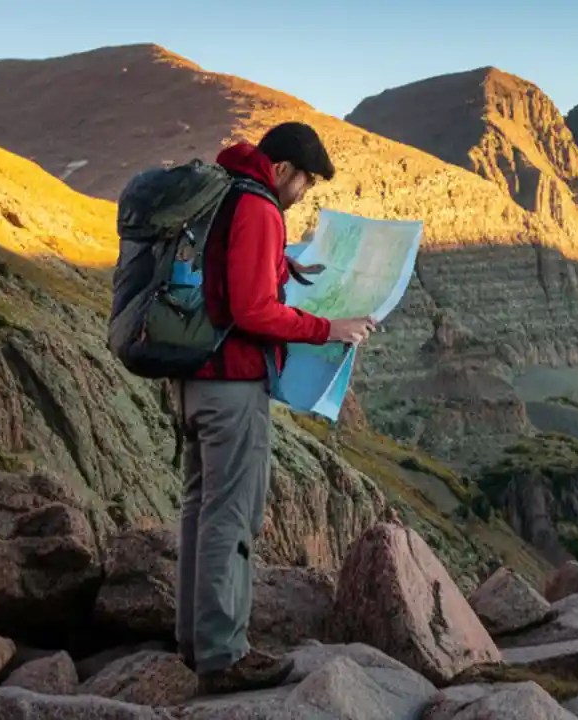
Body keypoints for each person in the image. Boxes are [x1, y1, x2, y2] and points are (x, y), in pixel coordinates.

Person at [175, 121, 375, 695]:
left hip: (194, 379)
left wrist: (286, 265)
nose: (305, 193)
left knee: (201, 506)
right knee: (231, 511)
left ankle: (193, 641)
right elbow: (253, 309)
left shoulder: (225, 189)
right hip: (233, 382)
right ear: (283, 169)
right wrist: (327, 327)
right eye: (306, 181)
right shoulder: (261, 207)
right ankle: (223, 654)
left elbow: (223, 267)